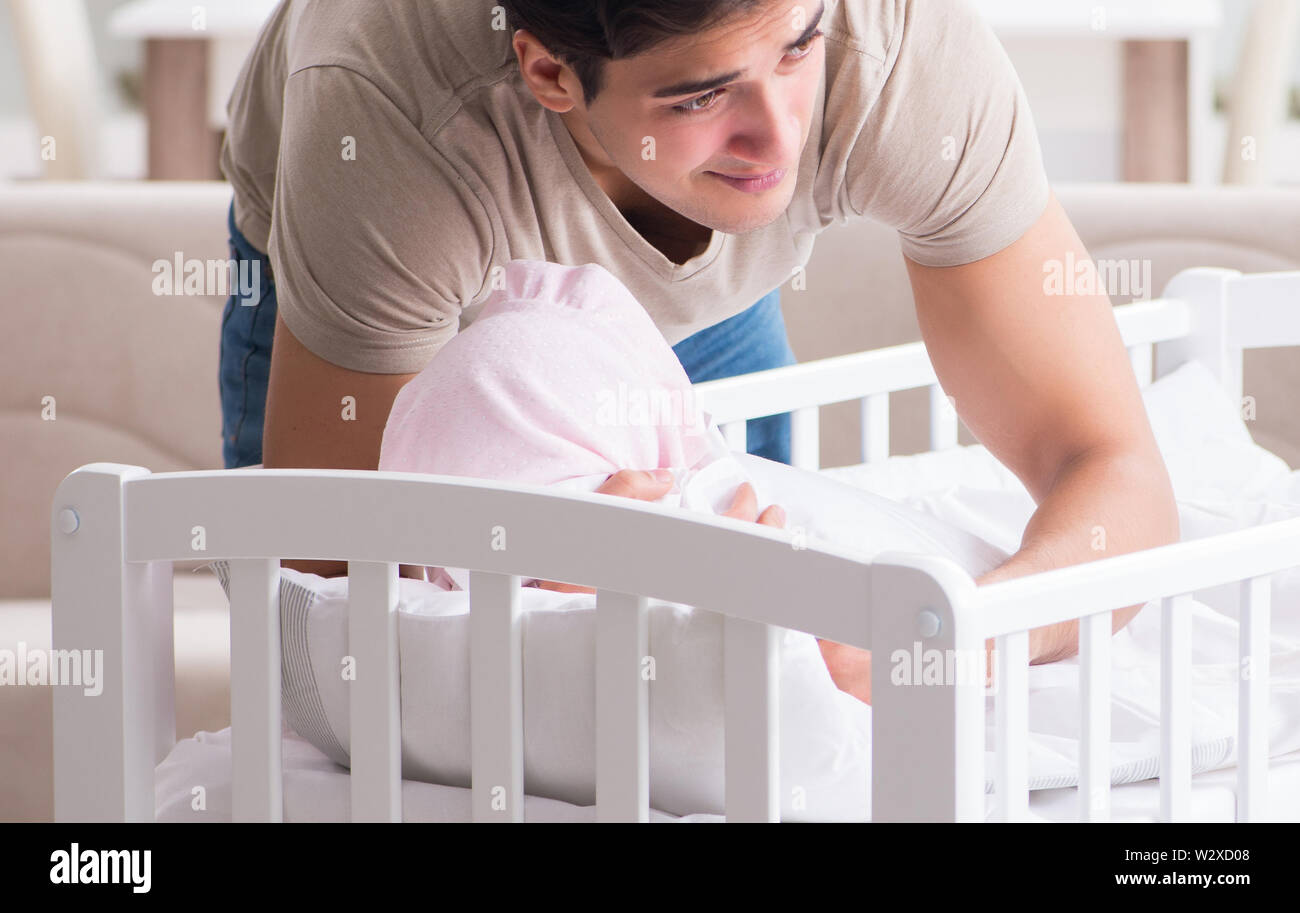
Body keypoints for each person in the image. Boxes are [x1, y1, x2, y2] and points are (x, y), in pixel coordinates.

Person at [219, 0, 1179, 668]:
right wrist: (515, 604)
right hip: (383, 269)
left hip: (705, 296)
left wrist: (964, 643)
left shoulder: (900, 55)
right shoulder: (388, 128)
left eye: (798, 47)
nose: (781, 140)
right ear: (550, 71)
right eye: (702, 96)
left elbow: (1111, 468)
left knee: (761, 641)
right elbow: (323, 634)